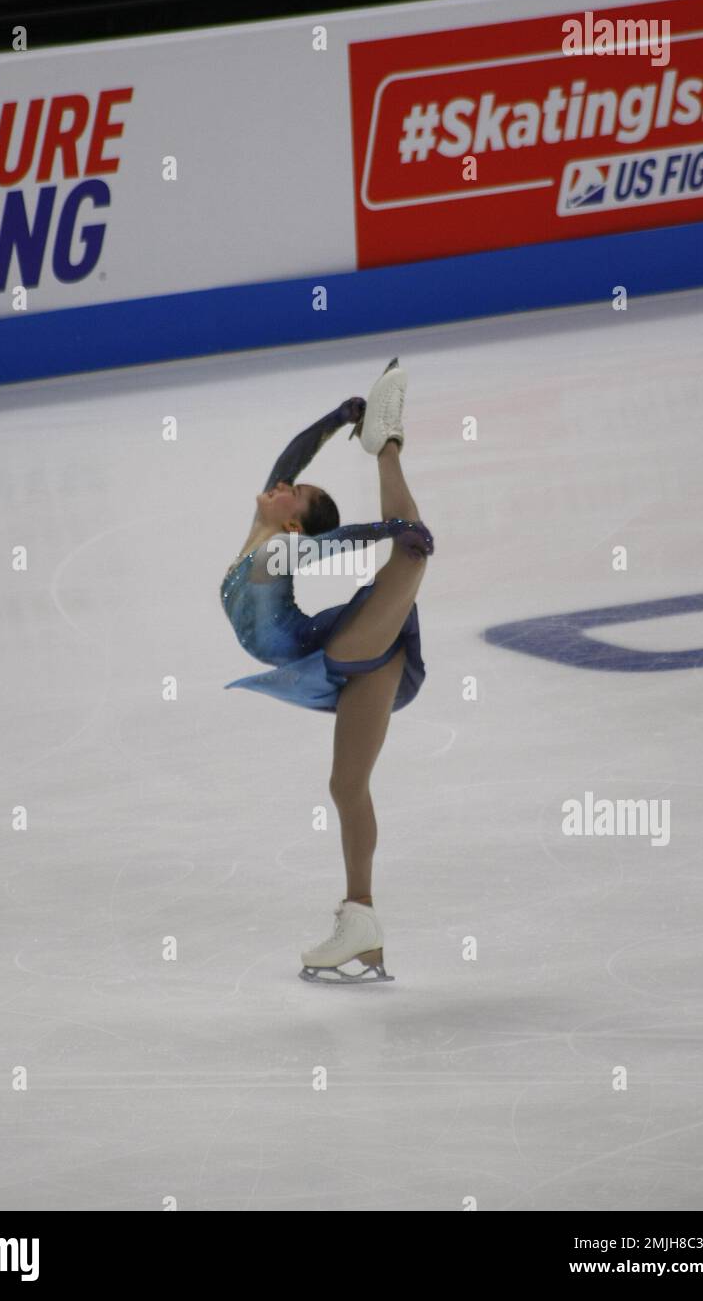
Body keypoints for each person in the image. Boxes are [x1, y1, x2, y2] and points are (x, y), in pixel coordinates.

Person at [220, 359, 435, 983]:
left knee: (411, 549)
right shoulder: (267, 526)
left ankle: (387, 445)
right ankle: (361, 924)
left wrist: (392, 527)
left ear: (292, 521)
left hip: (346, 647)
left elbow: (332, 544)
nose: (285, 483)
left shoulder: (278, 548)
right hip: (348, 666)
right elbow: (290, 460)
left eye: (296, 492)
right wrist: (334, 419)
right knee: (345, 788)